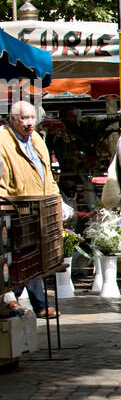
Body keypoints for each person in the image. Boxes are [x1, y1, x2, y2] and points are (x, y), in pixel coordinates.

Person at [0, 99, 60, 316]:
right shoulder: (2, 140)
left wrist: (56, 199)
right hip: (16, 209)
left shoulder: (36, 139)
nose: (28, 123)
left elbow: (48, 175)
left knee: (34, 257)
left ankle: (18, 302)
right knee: (22, 257)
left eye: (32, 118)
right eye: (23, 119)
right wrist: (6, 208)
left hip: (41, 209)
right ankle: (20, 302)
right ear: (12, 119)